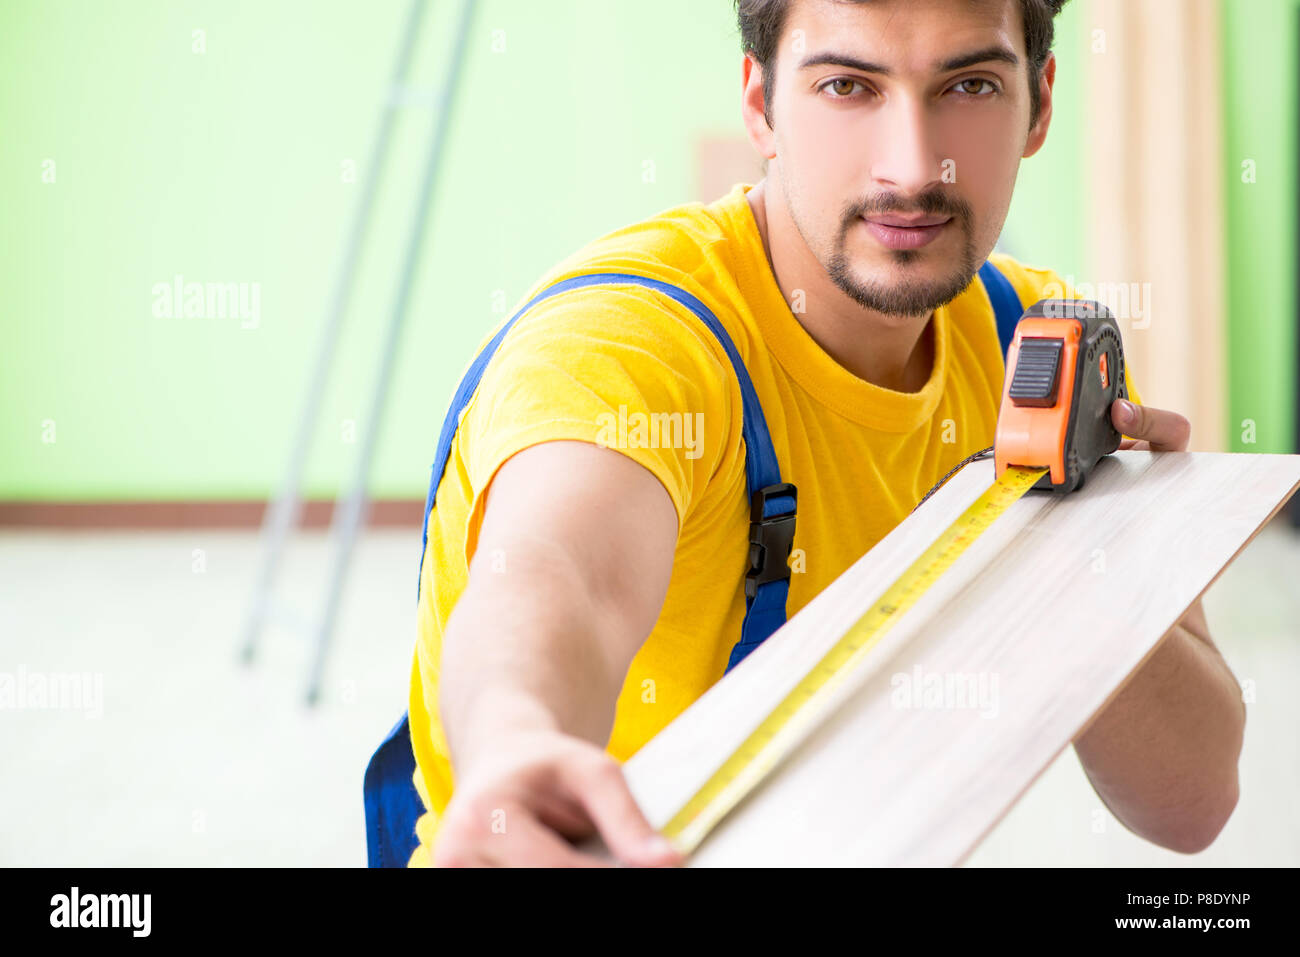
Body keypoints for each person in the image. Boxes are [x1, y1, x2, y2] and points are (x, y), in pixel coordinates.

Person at [406, 0, 1243, 867]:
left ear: (1039, 102)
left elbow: (1193, 803)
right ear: (761, 104)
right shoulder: (631, 343)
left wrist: (1094, 545)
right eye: (849, 85)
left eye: (969, 84)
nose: (912, 168)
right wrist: (512, 741)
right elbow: (557, 572)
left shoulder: (1037, 348)